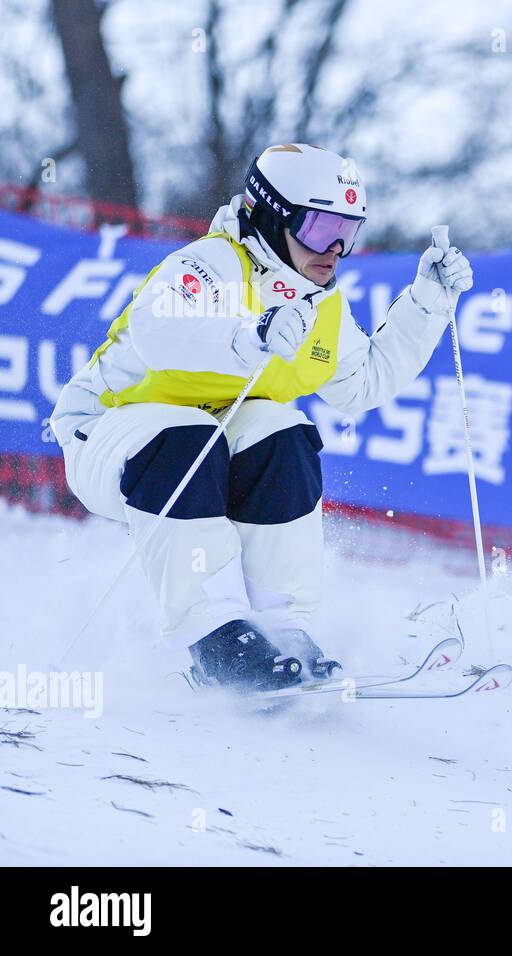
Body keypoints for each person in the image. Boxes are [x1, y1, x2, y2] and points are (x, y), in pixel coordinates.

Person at [50, 143, 473, 692]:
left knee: (284, 434)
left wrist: (427, 305)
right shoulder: (211, 265)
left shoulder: (320, 304)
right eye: (321, 229)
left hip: (210, 448)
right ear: (272, 216)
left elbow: (363, 383)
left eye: (348, 233)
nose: (335, 250)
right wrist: (246, 336)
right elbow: (157, 331)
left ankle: (280, 628)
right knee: (189, 436)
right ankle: (214, 636)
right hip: (109, 435)